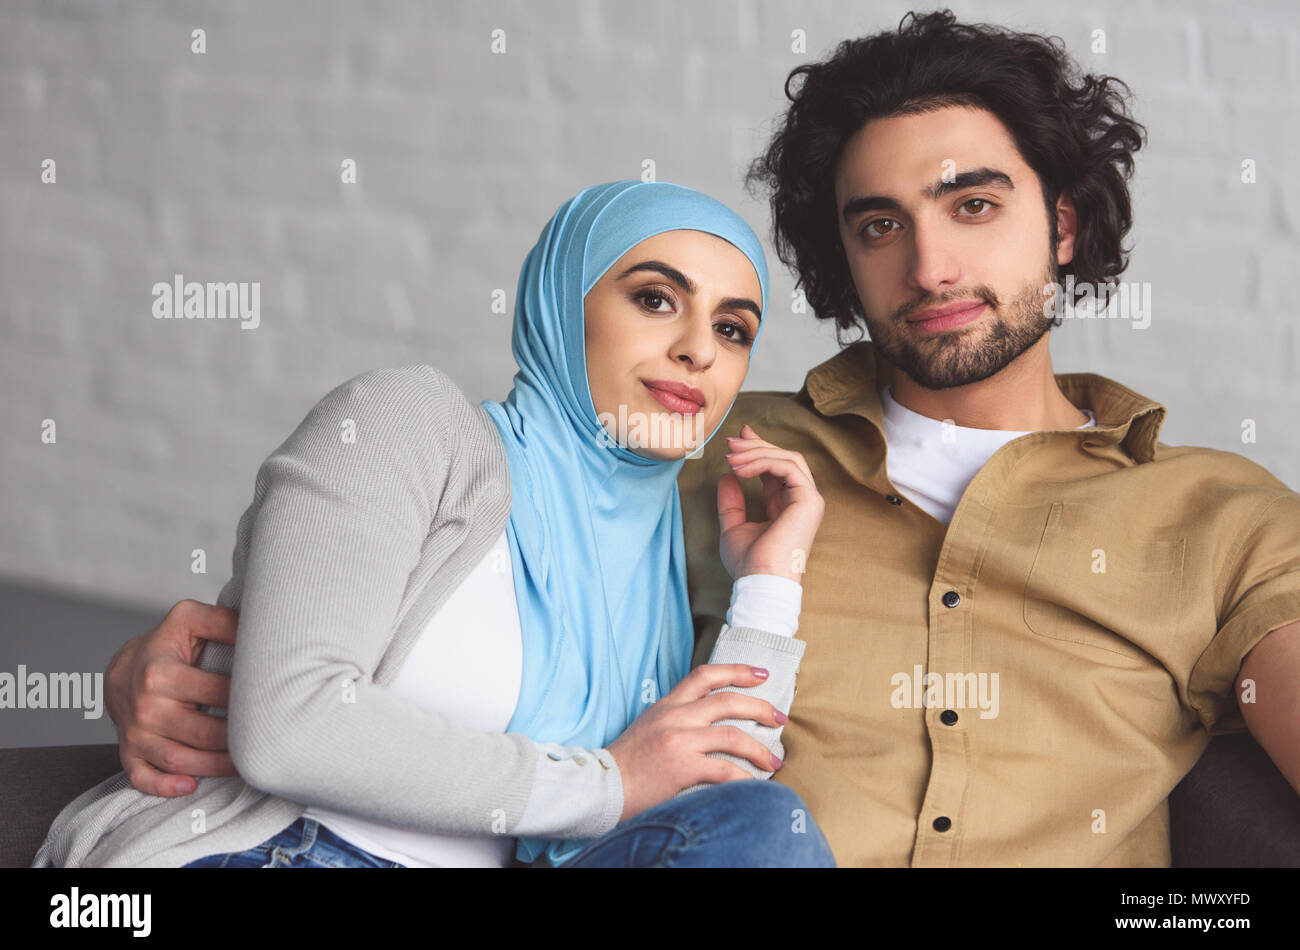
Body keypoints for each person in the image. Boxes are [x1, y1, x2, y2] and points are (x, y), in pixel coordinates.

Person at [84, 9, 1300, 868]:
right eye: (878, 224)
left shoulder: (1220, 521)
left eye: (974, 205)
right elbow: (379, 613)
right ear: (839, 261)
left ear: (1067, 225)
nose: (929, 265)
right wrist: (161, 672)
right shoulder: (706, 454)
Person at [32, 179, 835, 868]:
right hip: (283, 851)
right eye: (655, 298)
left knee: (765, 824)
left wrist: (768, 583)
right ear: (565, 302)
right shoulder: (409, 421)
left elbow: (719, 808)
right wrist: (608, 782)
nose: (698, 348)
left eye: (733, 328)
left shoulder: (672, 552)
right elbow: (288, 727)